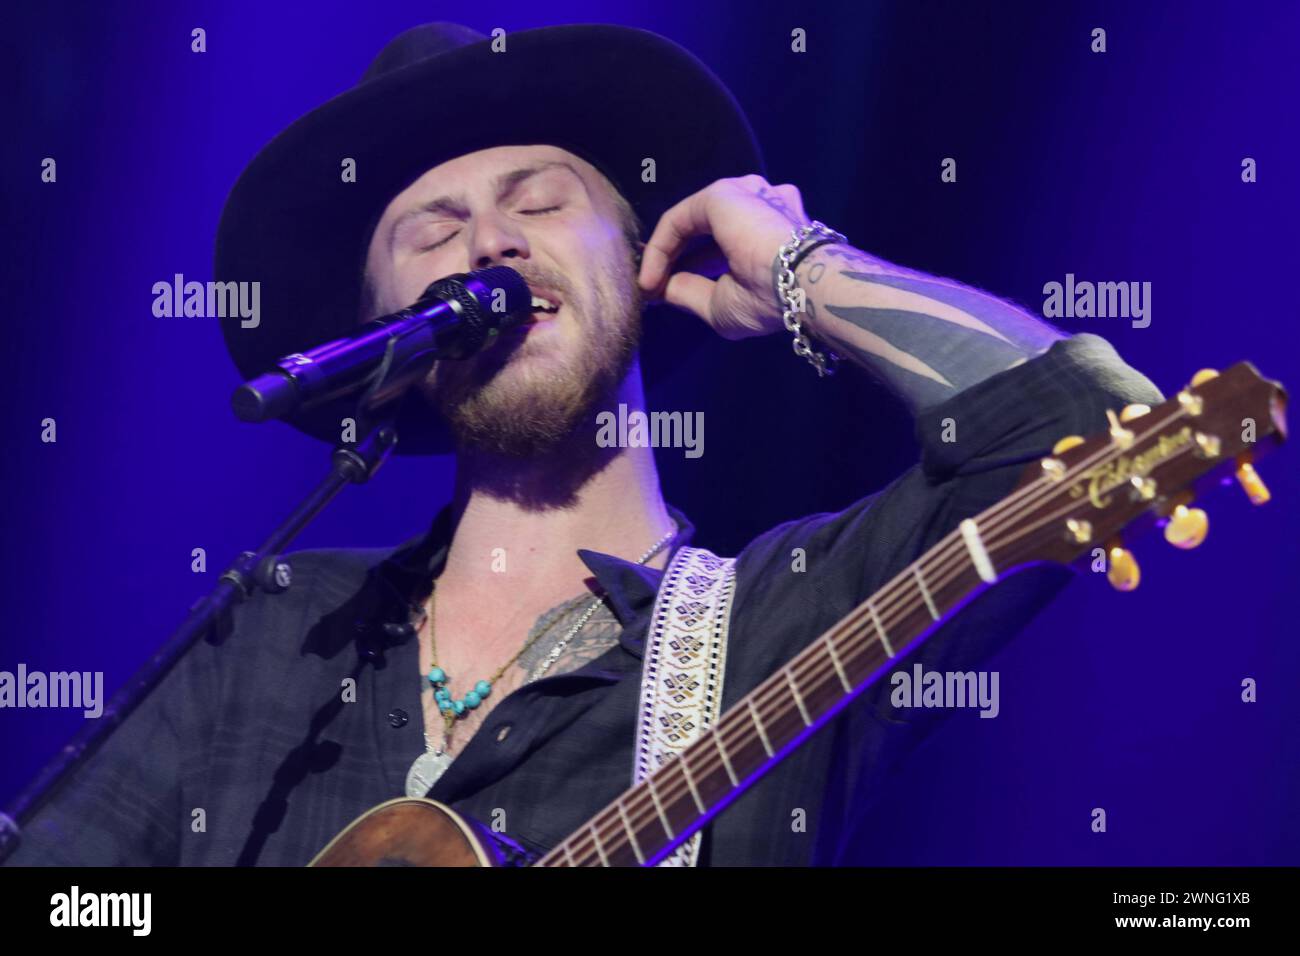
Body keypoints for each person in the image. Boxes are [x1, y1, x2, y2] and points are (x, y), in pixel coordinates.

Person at [4, 22, 1161, 866]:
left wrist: (805, 269)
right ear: (385, 334)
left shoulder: (788, 618)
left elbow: (1084, 430)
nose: (488, 243)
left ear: (641, 260)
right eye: (433, 229)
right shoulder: (274, 627)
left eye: (541, 201)